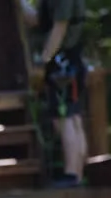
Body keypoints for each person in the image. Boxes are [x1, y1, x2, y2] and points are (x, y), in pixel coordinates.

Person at [17, 0, 88, 187]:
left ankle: (72, 174)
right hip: (67, 59)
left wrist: (43, 61)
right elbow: (37, 21)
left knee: (64, 118)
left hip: (62, 61)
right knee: (73, 118)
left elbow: (60, 27)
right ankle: (77, 175)